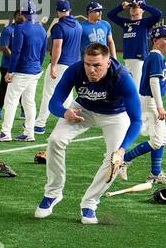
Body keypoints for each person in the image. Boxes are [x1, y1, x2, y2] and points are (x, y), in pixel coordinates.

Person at [34, 43, 142, 226]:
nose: (91, 70)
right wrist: (64, 112)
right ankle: (53, 193)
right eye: (87, 64)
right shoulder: (75, 70)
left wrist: (122, 150)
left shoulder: (123, 78)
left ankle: (90, 203)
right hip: (83, 110)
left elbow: (137, 120)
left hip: (115, 115)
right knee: (55, 140)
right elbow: (54, 102)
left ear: (108, 63)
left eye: (97, 65)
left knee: (113, 159)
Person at [122, 25, 166, 185]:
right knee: (158, 141)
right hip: (151, 101)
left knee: (161, 138)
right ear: (155, 41)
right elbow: (154, 82)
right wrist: (159, 106)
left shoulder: (156, 56)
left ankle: (155, 173)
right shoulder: (156, 57)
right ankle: (124, 159)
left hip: (150, 101)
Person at [0, 3, 45, 142]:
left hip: (22, 70)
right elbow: (43, 52)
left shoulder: (20, 29)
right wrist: (38, 65)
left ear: (23, 14)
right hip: (35, 70)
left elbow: (17, 52)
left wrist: (11, 70)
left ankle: (5, 132)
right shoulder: (41, 29)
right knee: (29, 102)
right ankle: (29, 133)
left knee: (11, 100)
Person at [35, 0, 81, 134]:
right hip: (75, 65)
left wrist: (53, 66)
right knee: (68, 95)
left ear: (57, 12)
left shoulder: (59, 27)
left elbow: (57, 47)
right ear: (69, 10)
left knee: (48, 94)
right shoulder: (78, 25)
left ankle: (40, 124)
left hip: (61, 64)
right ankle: (68, 121)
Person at [107, 0, 162, 87]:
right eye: (132, 7)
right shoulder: (125, 22)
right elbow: (110, 15)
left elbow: (158, 14)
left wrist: (143, 5)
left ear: (142, 10)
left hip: (139, 58)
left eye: (136, 7)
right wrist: (121, 7)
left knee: (135, 84)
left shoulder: (145, 22)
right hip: (128, 57)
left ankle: (137, 101)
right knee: (129, 83)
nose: (133, 9)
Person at [0, 11, 24, 121]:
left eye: (22, 15)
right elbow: (5, 48)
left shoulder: (26, 30)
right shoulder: (8, 30)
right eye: (19, 15)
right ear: (15, 17)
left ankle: (24, 111)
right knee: (4, 87)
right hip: (7, 65)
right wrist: (15, 59)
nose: (21, 17)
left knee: (22, 88)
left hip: (21, 66)